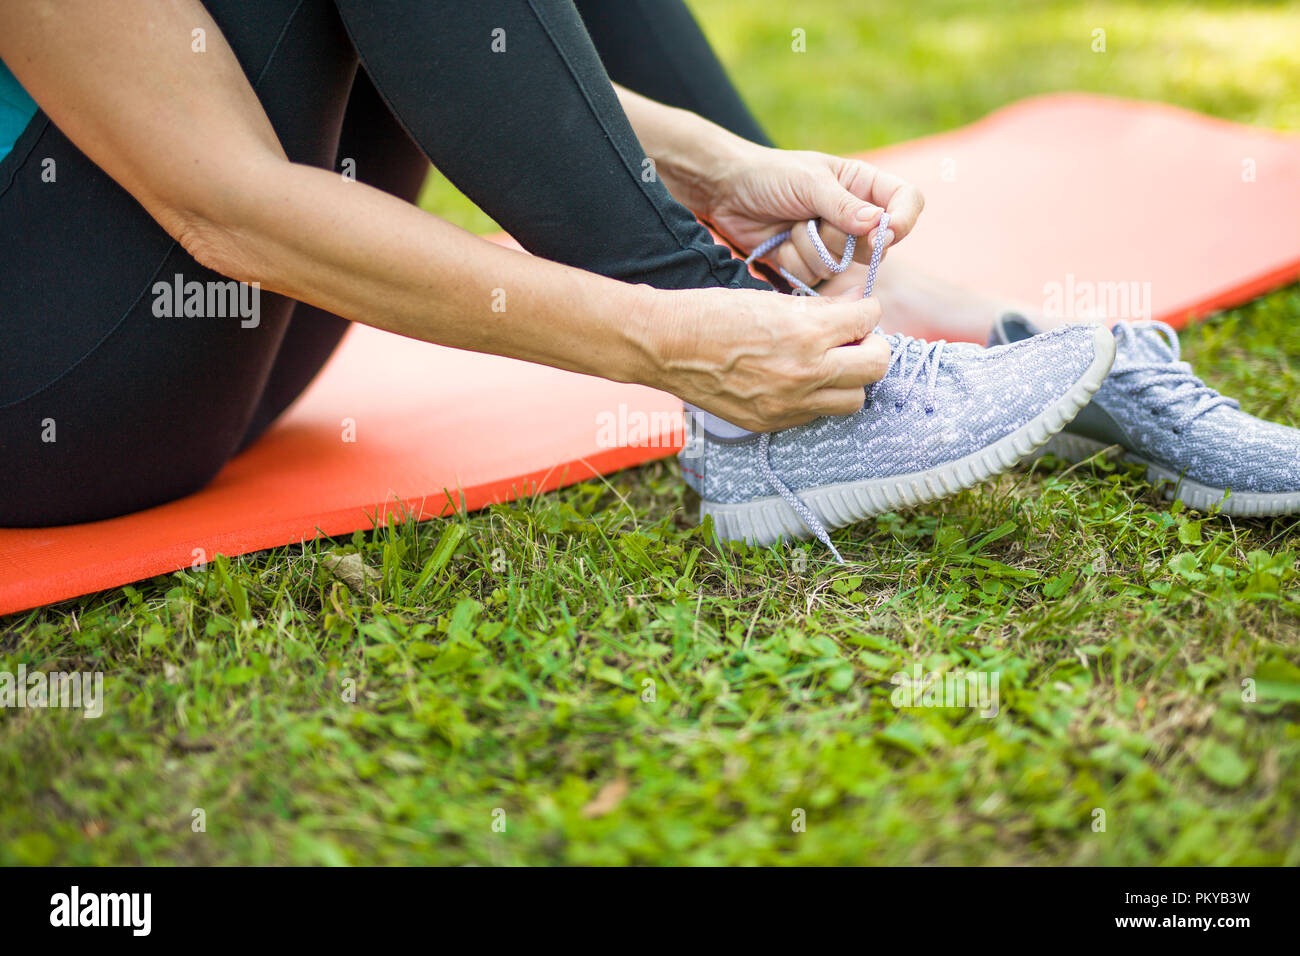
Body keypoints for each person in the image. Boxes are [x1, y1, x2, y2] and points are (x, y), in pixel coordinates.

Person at [0, 2, 1288, 551]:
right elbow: (215, 200)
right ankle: (763, 382)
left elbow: (452, 56)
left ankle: (873, 320)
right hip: (55, 394)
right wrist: (665, 339)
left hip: (208, 346)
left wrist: (730, 167)